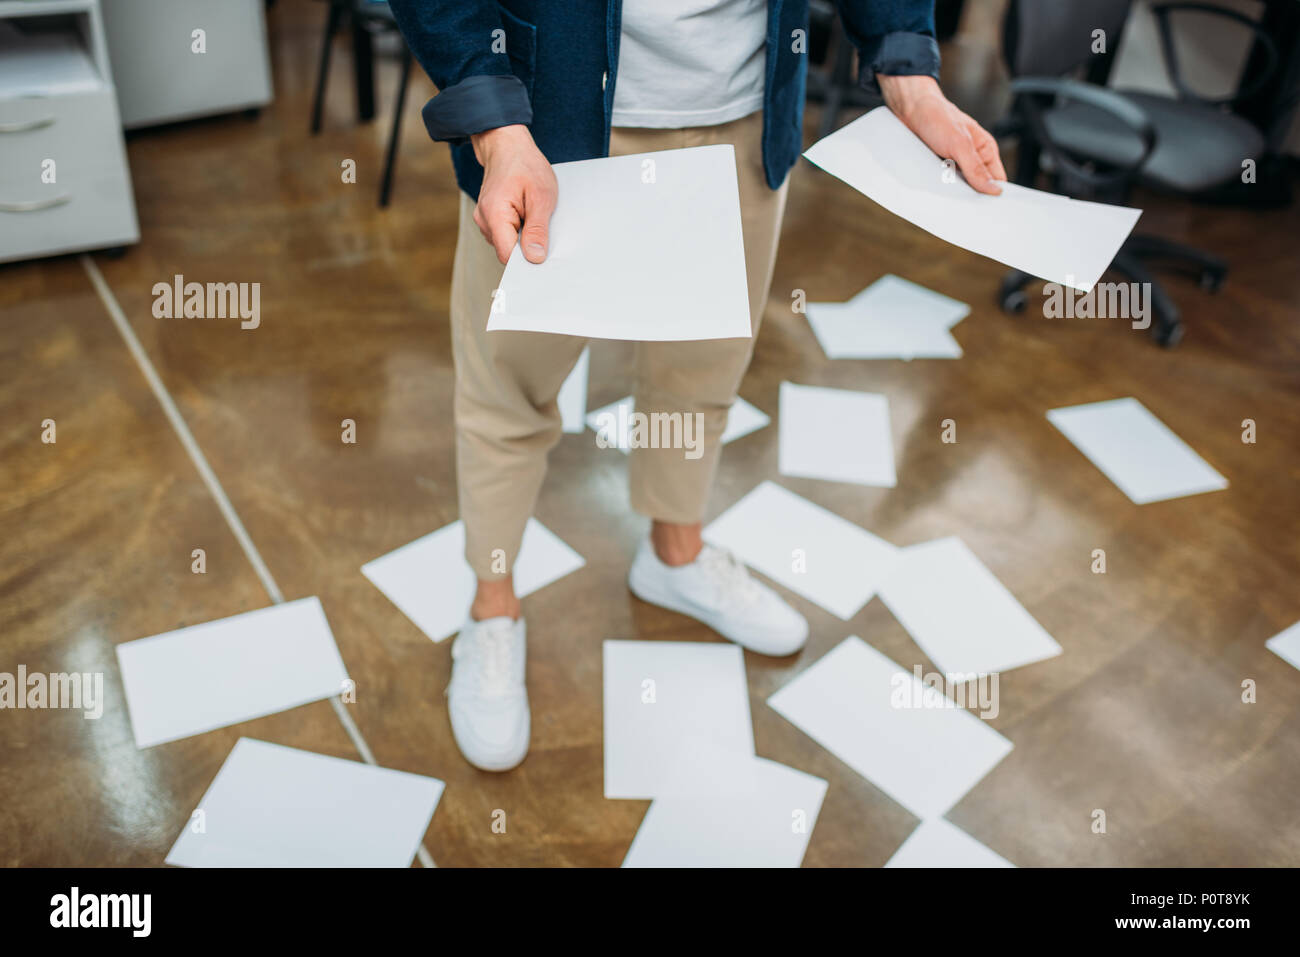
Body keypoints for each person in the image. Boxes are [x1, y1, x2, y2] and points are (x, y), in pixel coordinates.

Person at [387, 0, 1006, 771]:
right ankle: (493, 605)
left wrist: (906, 65)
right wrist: (489, 108)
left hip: (743, 114)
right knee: (508, 390)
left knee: (703, 370)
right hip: (545, 120)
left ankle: (675, 556)